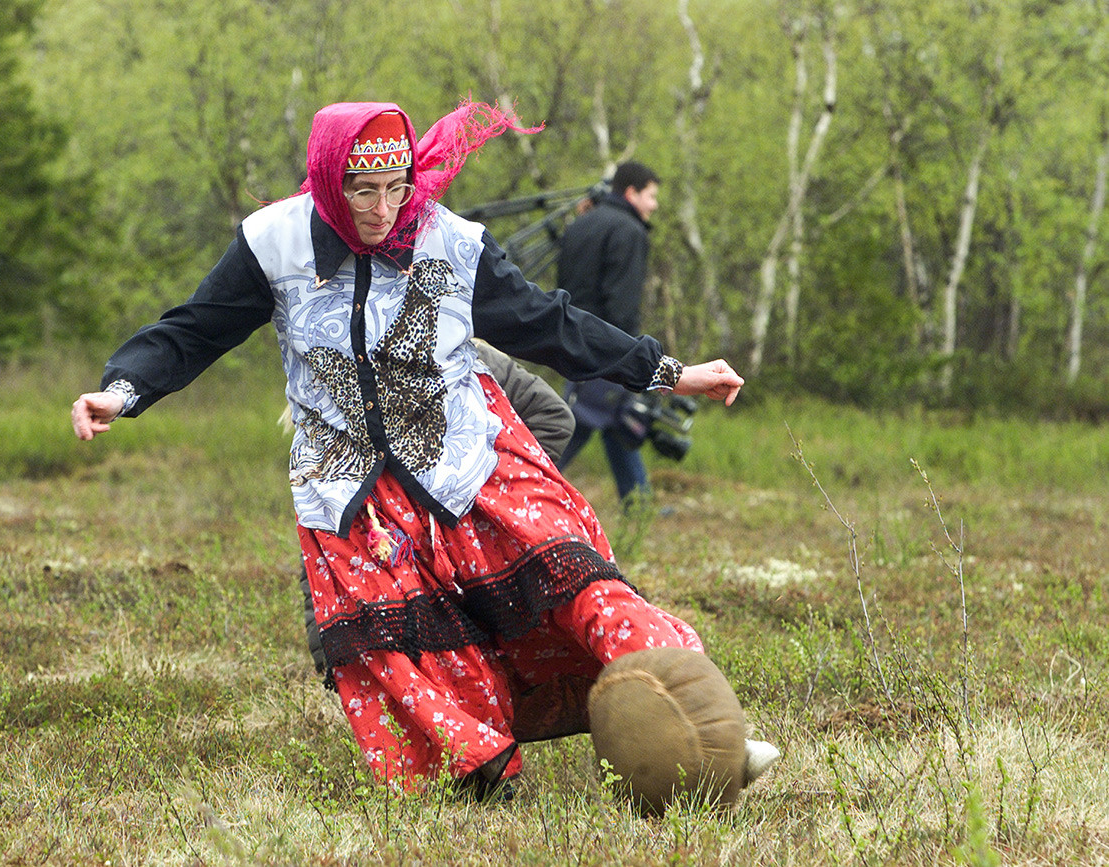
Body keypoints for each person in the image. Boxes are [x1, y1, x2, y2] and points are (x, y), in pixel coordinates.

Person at [71, 100, 761, 799]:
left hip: (469, 457)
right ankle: (477, 771)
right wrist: (122, 390)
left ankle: (706, 727)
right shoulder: (271, 243)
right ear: (328, 179)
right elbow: (193, 330)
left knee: (577, 583)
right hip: (349, 485)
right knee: (390, 642)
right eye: (363, 191)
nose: (383, 209)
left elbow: (548, 324)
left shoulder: (451, 241)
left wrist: (669, 372)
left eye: (397, 188)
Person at [299, 339, 575, 674]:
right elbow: (323, 554)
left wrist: (492, 486)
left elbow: (552, 419)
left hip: (491, 546)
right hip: (412, 573)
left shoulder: (463, 351)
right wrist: (330, 655)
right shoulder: (330, 417)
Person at [555, 161, 662, 504]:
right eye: (650, 196)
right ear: (631, 192)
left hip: (570, 337)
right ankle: (523, 488)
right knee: (579, 423)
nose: (654, 205)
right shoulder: (629, 231)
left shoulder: (581, 223)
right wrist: (632, 355)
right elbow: (622, 304)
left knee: (619, 420)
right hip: (604, 346)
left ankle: (639, 503)